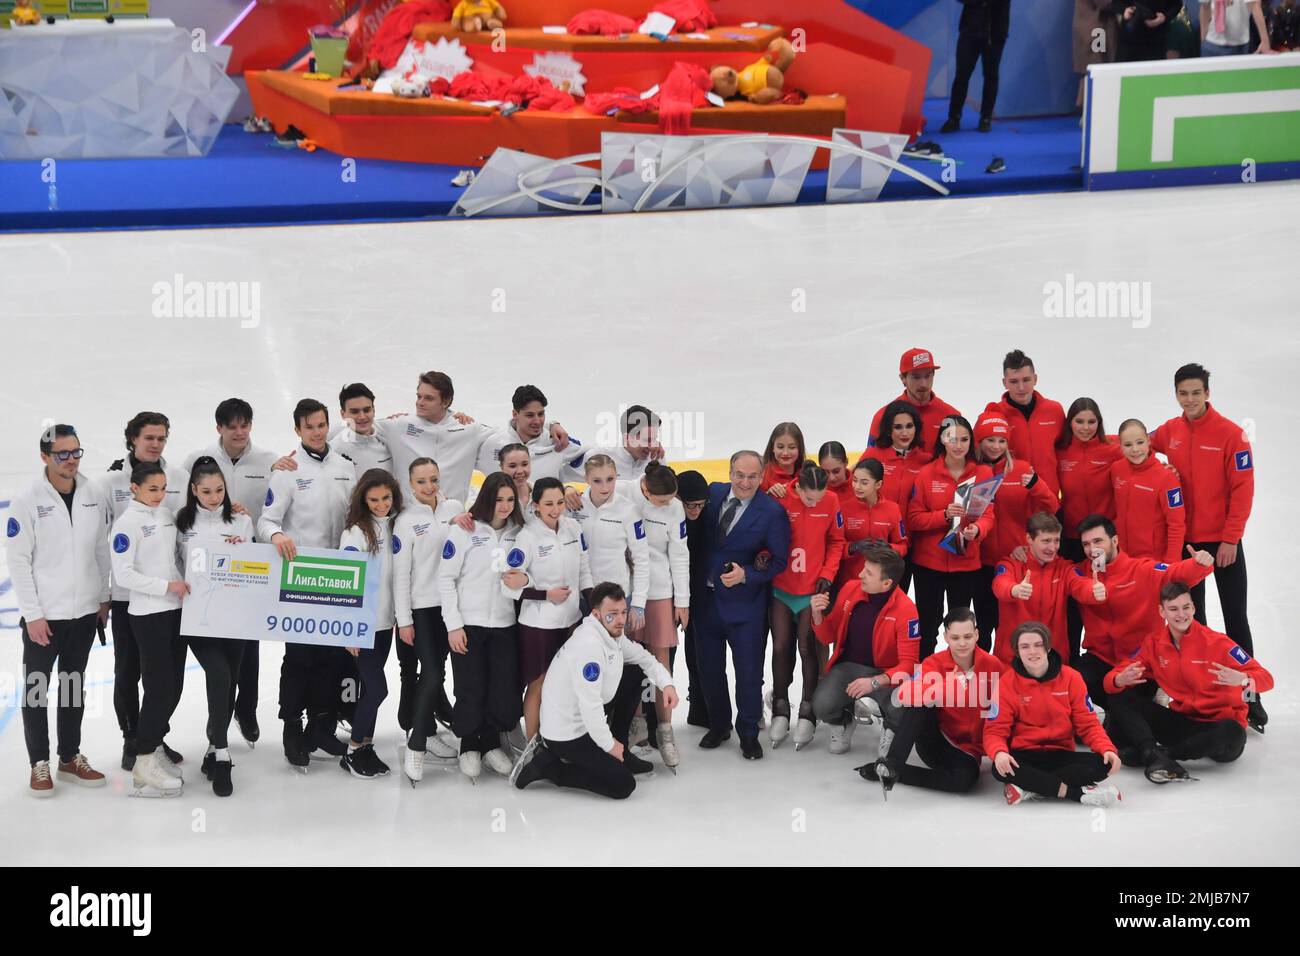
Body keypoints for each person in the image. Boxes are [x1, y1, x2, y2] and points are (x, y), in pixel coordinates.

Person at [1149, 362, 1263, 731]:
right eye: (1183, 393)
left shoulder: (1231, 435)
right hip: (1187, 544)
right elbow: (1136, 444)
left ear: (1208, 393)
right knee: (1193, 622)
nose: (1190, 399)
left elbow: (1242, 490)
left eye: (1196, 392)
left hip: (1223, 541)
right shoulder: (1171, 431)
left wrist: (1230, 538)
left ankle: (1251, 697)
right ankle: (1195, 696)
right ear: (1176, 395)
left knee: (1235, 619)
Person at [6, 425, 111, 796]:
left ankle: (69, 757)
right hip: (44, 618)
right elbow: (18, 561)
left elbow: (101, 548)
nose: (70, 460)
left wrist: (102, 598)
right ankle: (39, 763)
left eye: (76, 452)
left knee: (73, 687)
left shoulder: (92, 493)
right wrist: (33, 614)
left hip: (82, 615)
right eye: (62, 454)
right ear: (45, 457)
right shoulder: (28, 499)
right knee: (37, 691)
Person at [257, 398, 357, 769]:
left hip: (341, 579)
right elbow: (266, 520)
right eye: (309, 426)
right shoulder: (287, 470)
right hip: (300, 577)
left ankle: (320, 727)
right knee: (299, 658)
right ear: (298, 430)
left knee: (331, 658)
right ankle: (291, 728)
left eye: (321, 425)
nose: (316, 432)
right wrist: (278, 535)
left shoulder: (345, 466)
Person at [511, 583, 678, 799]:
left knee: (635, 672)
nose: (620, 620)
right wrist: (610, 747)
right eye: (612, 614)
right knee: (623, 785)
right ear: (596, 614)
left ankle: (622, 749)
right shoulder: (589, 647)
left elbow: (645, 658)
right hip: (567, 733)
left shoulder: (611, 633)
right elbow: (591, 708)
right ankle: (549, 768)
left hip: (584, 716)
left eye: (623, 612)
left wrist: (667, 685)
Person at [1104, 581, 1274, 783]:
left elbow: (1266, 678)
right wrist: (1118, 679)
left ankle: (1163, 755)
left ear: (1194, 608)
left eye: (1186, 607)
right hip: (1184, 723)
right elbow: (1111, 679)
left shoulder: (1218, 643)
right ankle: (1151, 752)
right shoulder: (1154, 643)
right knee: (1119, 699)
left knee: (1234, 733)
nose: (1181, 614)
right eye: (1173, 609)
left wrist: (1244, 678)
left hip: (1219, 727)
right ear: (1162, 611)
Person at [182, 397, 276, 746]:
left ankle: (246, 709)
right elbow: (180, 503)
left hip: (249, 568)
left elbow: (279, 503)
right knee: (223, 658)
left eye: (244, 424)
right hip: (208, 576)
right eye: (231, 426)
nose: (239, 432)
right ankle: (218, 725)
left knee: (249, 647)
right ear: (218, 428)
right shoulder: (197, 460)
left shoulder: (268, 461)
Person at [98, 411, 187, 771]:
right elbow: (101, 544)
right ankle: (131, 737)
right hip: (127, 597)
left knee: (162, 675)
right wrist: (102, 595)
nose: (156, 444)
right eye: (149, 437)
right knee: (128, 671)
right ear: (132, 439)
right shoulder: (110, 482)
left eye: (162, 438)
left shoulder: (175, 478)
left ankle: (153, 735)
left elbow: (186, 529)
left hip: (167, 601)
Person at [695, 450, 791, 759]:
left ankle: (748, 733)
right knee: (709, 669)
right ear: (729, 472)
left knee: (748, 674)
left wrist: (746, 575)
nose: (745, 482)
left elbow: (778, 561)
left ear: (762, 477)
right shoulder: (712, 493)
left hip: (745, 607)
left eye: (752, 476)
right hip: (706, 603)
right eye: (739, 475)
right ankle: (719, 724)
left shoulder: (772, 512)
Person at [437, 471, 529, 780]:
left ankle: (490, 744)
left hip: (504, 624)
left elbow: (528, 574)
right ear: (486, 498)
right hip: (469, 624)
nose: (504, 506)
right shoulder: (465, 530)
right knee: (470, 688)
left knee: (500, 688)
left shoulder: (520, 532)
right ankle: (469, 745)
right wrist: (453, 625)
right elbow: (446, 578)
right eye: (498, 499)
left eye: (509, 500)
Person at [1072, 514, 1215, 712]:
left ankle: (1151, 698)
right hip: (1100, 658)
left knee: (1125, 705)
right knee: (1075, 680)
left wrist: (1200, 563)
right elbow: (1073, 582)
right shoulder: (1079, 572)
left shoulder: (1141, 570)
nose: (1091, 549)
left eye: (1098, 541)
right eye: (1086, 544)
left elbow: (1175, 573)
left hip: (1140, 662)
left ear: (1114, 541)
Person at [110, 461, 192, 797]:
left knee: (173, 687)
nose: (159, 495)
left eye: (162, 488)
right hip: (148, 615)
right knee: (158, 688)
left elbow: (177, 555)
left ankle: (154, 745)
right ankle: (143, 762)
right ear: (135, 488)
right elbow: (124, 575)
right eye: (152, 489)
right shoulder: (126, 525)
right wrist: (165, 587)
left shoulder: (166, 515)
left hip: (175, 613)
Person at [174, 457, 255, 797]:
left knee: (231, 681)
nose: (213, 496)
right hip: (198, 617)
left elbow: (253, 566)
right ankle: (222, 754)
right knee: (219, 675)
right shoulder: (181, 522)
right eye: (206, 491)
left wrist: (243, 549)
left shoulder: (240, 519)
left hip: (233, 616)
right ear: (193, 491)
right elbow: (176, 565)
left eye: (219, 490)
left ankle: (212, 746)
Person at [367, 370, 563, 506]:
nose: (420, 403)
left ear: (446, 401)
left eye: (428, 398)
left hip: (453, 521)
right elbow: (360, 426)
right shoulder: (400, 426)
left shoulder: (468, 429)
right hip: (409, 519)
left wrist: (549, 424)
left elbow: (512, 433)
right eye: (419, 396)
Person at [863, 608, 1004, 796]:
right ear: (945, 636)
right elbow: (905, 695)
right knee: (921, 700)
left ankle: (898, 773)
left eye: (968, 637)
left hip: (967, 750)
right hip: (935, 739)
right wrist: (945, 686)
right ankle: (893, 764)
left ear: (977, 634)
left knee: (965, 782)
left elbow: (1009, 704)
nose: (962, 643)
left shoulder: (993, 665)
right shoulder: (934, 662)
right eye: (955, 638)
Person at [985, 621, 1123, 807]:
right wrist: (1000, 753)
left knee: (1104, 764)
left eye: (1038, 645)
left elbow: (1088, 724)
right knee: (999, 768)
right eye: (1025, 646)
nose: (1032, 651)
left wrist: (1106, 748)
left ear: (1048, 647)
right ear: (1017, 651)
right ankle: (1075, 793)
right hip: (1025, 755)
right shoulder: (1006, 683)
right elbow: (994, 730)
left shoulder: (1071, 678)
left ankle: (1030, 787)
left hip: (1060, 753)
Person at [809, 544, 920, 755]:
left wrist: (875, 682)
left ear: (886, 583)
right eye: (863, 568)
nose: (860, 574)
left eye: (868, 573)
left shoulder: (907, 610)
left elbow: (909, 665)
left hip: (885, 673)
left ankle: (890, 729)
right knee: (822, 705)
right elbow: (827, 636)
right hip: (848, 668)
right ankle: (844, 723)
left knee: (905, 707)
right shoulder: (851, 588)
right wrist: (816, 614)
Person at [613, 462, 689, 768]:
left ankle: (665, 729)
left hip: (659, 590)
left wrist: (682, 600)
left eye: (671, 498)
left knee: (661, 660)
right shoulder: (622, 492)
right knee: (627, 659)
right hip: (624, 591)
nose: (668, 504)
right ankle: (635, 723)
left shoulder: (676, 508)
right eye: (661, 500)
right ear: (645, 488)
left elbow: (679, 554)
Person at [393, 457, 464, 783]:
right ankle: (417, 743)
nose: (429, 486)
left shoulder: (455, 508)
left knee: (441, 672)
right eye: (421, 481)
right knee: (432, 673)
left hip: (452, 608)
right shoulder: (405, 520)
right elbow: (401, 575)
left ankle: (432, 728)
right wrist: (404, 620)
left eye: (433, 479)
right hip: (421, 610)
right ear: (411, 484)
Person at [513, 477, 593, 748]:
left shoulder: (573, 528)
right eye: (548, 504)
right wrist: (545, 595)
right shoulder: (527, 537)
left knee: (565, 684)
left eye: (560, 502)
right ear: (535, 505)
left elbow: (584, 570)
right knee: (539, 683)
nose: (556, 509)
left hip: (570, 621)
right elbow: (509, 584)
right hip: (538, 625)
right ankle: (532, 746)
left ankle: (558, 739)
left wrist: (592, 605)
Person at [906, 416, 996, 657]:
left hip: (965, 564)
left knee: (961, 628)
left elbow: (988, 514)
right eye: (953, 439)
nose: (959, 445)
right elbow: (914, 519)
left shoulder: (983, 472)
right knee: (927, 624)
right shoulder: (926, 474)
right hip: (928, 565)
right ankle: (925, 678)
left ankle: (962, 680)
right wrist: (943, 515)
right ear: (943, 440)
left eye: (964, 439)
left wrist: (977, 531)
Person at [769, 464, 844, 750]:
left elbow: (837, 541)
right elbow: (765, 538)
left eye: (819, 498)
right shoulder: (780, 497)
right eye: (809, 498)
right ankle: (779, 706)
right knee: (779, 647)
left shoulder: (832, 501)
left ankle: (808, 709)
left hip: (812, 590)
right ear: (797, 487)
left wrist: (827, 575)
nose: (814, 503)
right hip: (781, 588)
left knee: (807, 648)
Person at [972, 411, 1057, 650]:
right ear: (979, 441)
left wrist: (1037, 485)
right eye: (990, 440)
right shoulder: (972, 470)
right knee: (983, 623)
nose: (996, 446)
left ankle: (1010, 677)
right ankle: (984, 677)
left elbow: (1051, 507)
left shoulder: (1021, 469)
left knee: (1009, 624)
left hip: (1014, 560)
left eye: (1002, 441)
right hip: (979, 562)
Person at [337, 469, 403, 778]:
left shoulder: (395, 524)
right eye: (374, 500)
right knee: (377, 690)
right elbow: (347, 581)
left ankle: (365, 746)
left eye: (386, 498)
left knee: (369, 690)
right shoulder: (355, 532)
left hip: (385, 623)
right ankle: (352, 750)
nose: (381, 505)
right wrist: (350, 626)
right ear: (363, 499)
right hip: (362, 627)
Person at [991, 512, 1106, 665]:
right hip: (1012, 659)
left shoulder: (1064, 568)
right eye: (1046, 541)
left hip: (1053, 659)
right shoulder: (1011, 564)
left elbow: (1079, 583)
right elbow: (1000, 584)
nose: (1052, 547)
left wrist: (1093, 591)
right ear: (1029, 539)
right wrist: (1014, 590)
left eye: (1056, 540)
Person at [1055, 397, 1121, 661]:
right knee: (1071, 607)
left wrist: (1168, 469)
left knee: (1105, 602)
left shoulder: (1112, 450)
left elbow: (1141, 457)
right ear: (1070, 423)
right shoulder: (1060, 453)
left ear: (1100, 423)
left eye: (1091, 421)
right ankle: (1070, 666)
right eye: (1079, 421)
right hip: (1071, 542)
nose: (1085, 427)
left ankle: (1109, 662)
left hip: (1102, 544)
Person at [982, 349, 1068, 498]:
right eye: (1014, 381)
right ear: (1004, 382)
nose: (1021, 387)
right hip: (1012, 500)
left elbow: (1066, 450)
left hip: (1048, 498)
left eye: (1026, 380)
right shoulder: (995, 414)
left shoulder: (1054, 410)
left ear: (1035, 379)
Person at [476, 384, 587, 484]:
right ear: (515, 414)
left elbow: (594, 456)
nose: (537, 421)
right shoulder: (492, 443)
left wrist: (565, 475)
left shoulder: (556, 441)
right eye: (530, 415)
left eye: (541, 414)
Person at [1111, 418, 1185, 563]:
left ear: (1149, 441)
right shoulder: (1116, 469)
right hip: (1123, 558)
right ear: (1120, 446)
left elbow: (1176, 524)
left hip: (1154, 561)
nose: (1135, 449)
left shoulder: (1167, 477)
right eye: (1128, 444)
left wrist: (1171, 564)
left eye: (1140, 442)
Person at [866, 349, 962, 453]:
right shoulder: (883, 417)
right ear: (903, 378)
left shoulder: (951, 416)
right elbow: (872, 461)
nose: (923, 384)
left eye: (928, 376)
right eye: (916, 377)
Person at [837, 457, 907, 594]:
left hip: (879, 585)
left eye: (864, 483)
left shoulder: (892, 509)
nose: (857, 486)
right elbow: (834, 545)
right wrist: (852, 547)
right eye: (855, 480)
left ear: (878, 484)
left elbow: (903, 546)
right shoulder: (843, 508)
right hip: (849, 583)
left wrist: (889, 548)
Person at [941, 0, 1012, 133]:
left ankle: (986, 118)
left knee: (991, 74)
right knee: (962, 74)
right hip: (970, 29)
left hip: (995, 31)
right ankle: (954, 118)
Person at [677, 469, 712, 730]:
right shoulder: (667, 516)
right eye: (691, 504)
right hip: (669, 591)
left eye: (701, 504)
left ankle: (698, 705)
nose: (696, 509)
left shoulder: (706, 515)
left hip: (698, 591)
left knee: (696, 648)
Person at [859, 400, 931, 512]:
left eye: (909, 426)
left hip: (912, 529)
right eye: (898, 427)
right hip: (880, 528)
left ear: (916, 428)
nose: (905, 433)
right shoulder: (872, 455)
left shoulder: (926, 461)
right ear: (888, 430)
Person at [329, 383, 395, 476]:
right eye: (355, 412)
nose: (362, 417)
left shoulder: (391, 440)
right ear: (343, 414)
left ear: (374, 410)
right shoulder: (334, 449)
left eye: (367, 410)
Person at [588, 404, 665, 481]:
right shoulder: (600, 456)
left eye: (654, 439)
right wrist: (574, 489)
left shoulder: (656, 457)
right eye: (646, 440)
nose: (652, 446)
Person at [1107, 0, 1183, 61]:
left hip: (1156, 39)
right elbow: (1115, 3)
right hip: (1129, 38)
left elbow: (1177, 5)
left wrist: (1164, 17)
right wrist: (1124, 10)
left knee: (1154, 75)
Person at [1201, 0, 1271, 54]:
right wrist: (1203, 38)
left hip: (1238, 45)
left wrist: (1265, 42)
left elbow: (1254, 6)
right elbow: (1204, 7)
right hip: (1211, 42)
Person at [759, 422, 806, 494]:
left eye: (792, 447)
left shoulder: (807, 473)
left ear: (799, 448)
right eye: (780, 447)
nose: (785, 453)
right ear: (773, 448)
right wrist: (769, 494)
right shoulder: (763, 474)